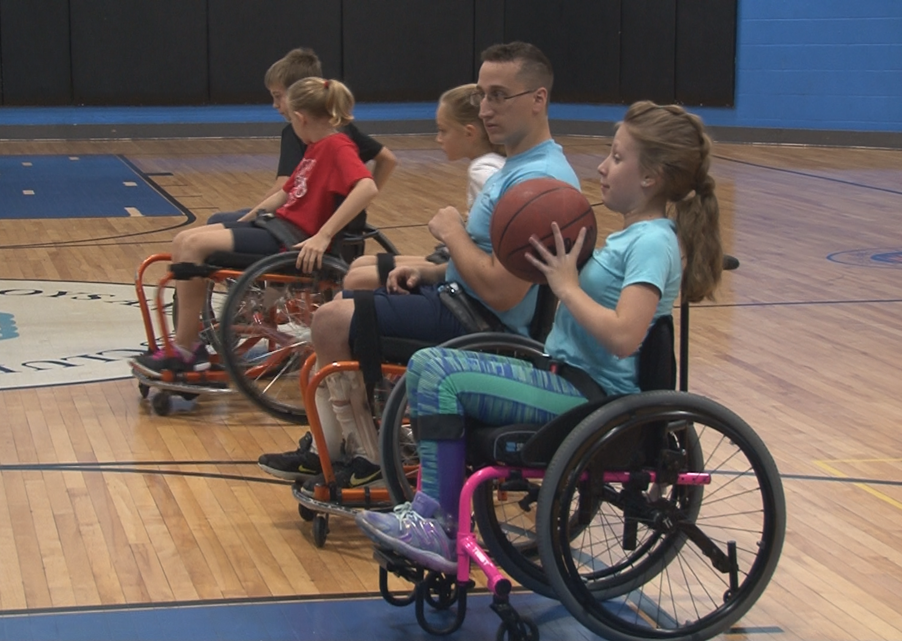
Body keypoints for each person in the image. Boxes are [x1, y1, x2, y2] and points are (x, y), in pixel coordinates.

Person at [353, 100, 725, 574]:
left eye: (616, 156)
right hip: (565, 381)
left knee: (440, 372)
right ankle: (434, 515)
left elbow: (625, 336)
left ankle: (439, 523)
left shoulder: (653, 243)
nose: (602, 166)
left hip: (593, 401)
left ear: (650, 176)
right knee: (432, 365)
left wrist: (566, 288)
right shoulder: (636, 236)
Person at [257, 42, 580, 493]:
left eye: (499, 96)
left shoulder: (540, 182)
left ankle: (363, 456)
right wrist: (433, 271)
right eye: (483, 94)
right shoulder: (517, 168)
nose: (486, 108)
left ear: (538, 99)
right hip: (459, 297)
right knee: (344, 300)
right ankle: (330, 449)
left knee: (331, 321)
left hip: (484, 320)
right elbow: (491, 263)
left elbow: (504, 293)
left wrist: (452, 234)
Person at [131, 77, 379, 375]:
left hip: (291, 239)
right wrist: (245, 220)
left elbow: (366, 187)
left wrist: (322, 235)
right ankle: (187, 343)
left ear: (300, 118)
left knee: (193, 246)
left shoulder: (337, 146)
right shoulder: (316, 146)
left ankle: (187, 348)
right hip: (276, 227)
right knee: (184, 239)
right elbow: (286, 193)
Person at [208, 48, 396, 227]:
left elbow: (282, 188)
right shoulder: (339, 126)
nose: (275, 105)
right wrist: (356, 208)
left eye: (277, 96)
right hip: (321, 217)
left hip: (301, 221)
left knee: (218, 221)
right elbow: (388, 160)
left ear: (298, 93)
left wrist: (251, 218)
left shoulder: (301, 134)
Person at [342, 83, 505, 291]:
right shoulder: (491, 164)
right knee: (359, 264)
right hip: (456, 257)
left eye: (442, 131)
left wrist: (456, 232)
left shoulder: (483, 171)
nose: (438, 139)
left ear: (469, 133)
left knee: (356, 280)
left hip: (467, 268)